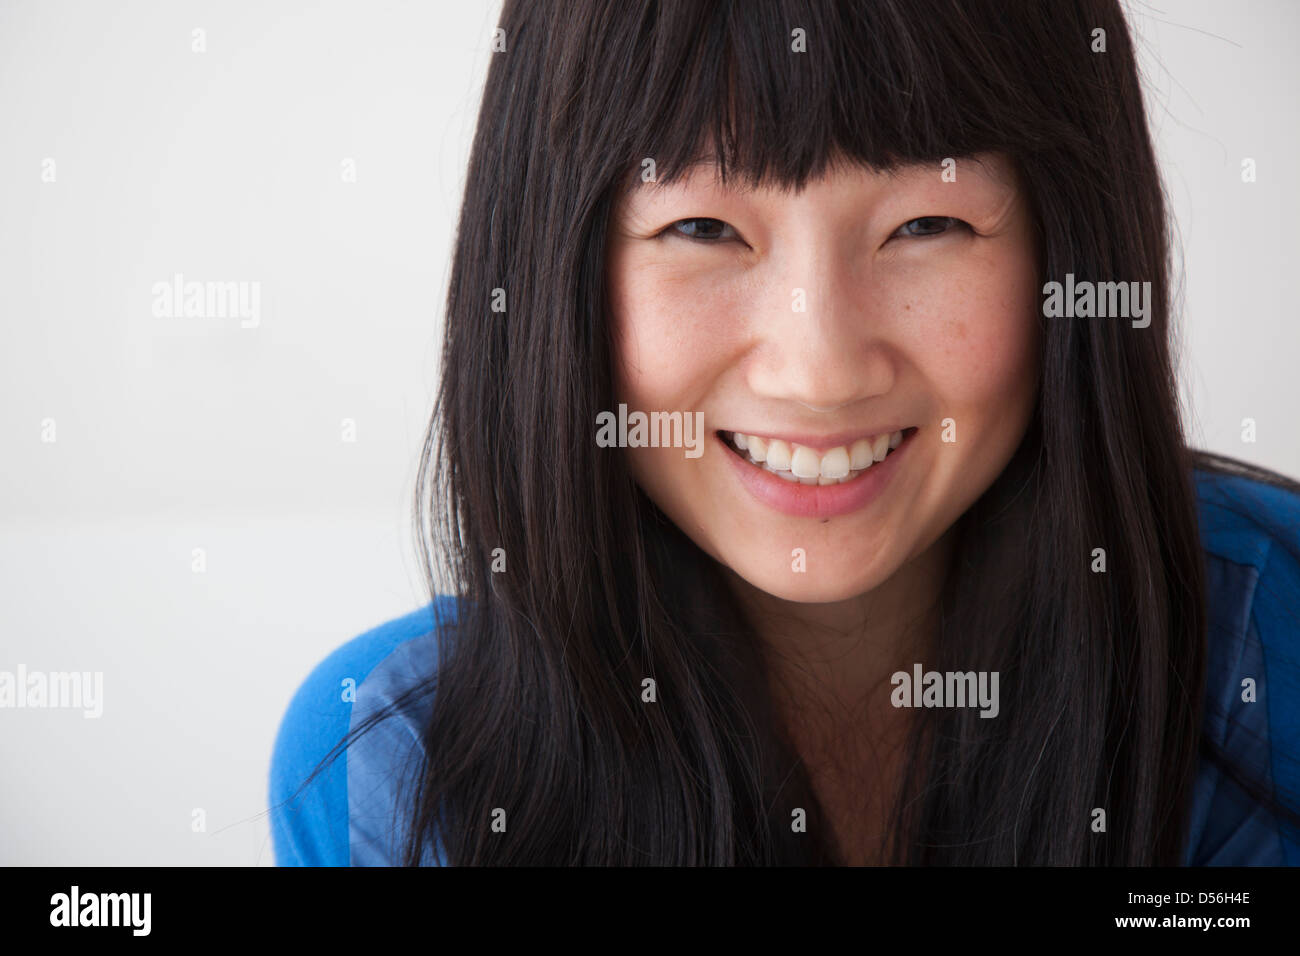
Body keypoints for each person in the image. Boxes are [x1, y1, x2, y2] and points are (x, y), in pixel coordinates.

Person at [269, 0, 1300, 866]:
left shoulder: (1273, 640)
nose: (817, 371)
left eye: (926, 225)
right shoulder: (394, 766)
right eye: (701, 228)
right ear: (550, 274)